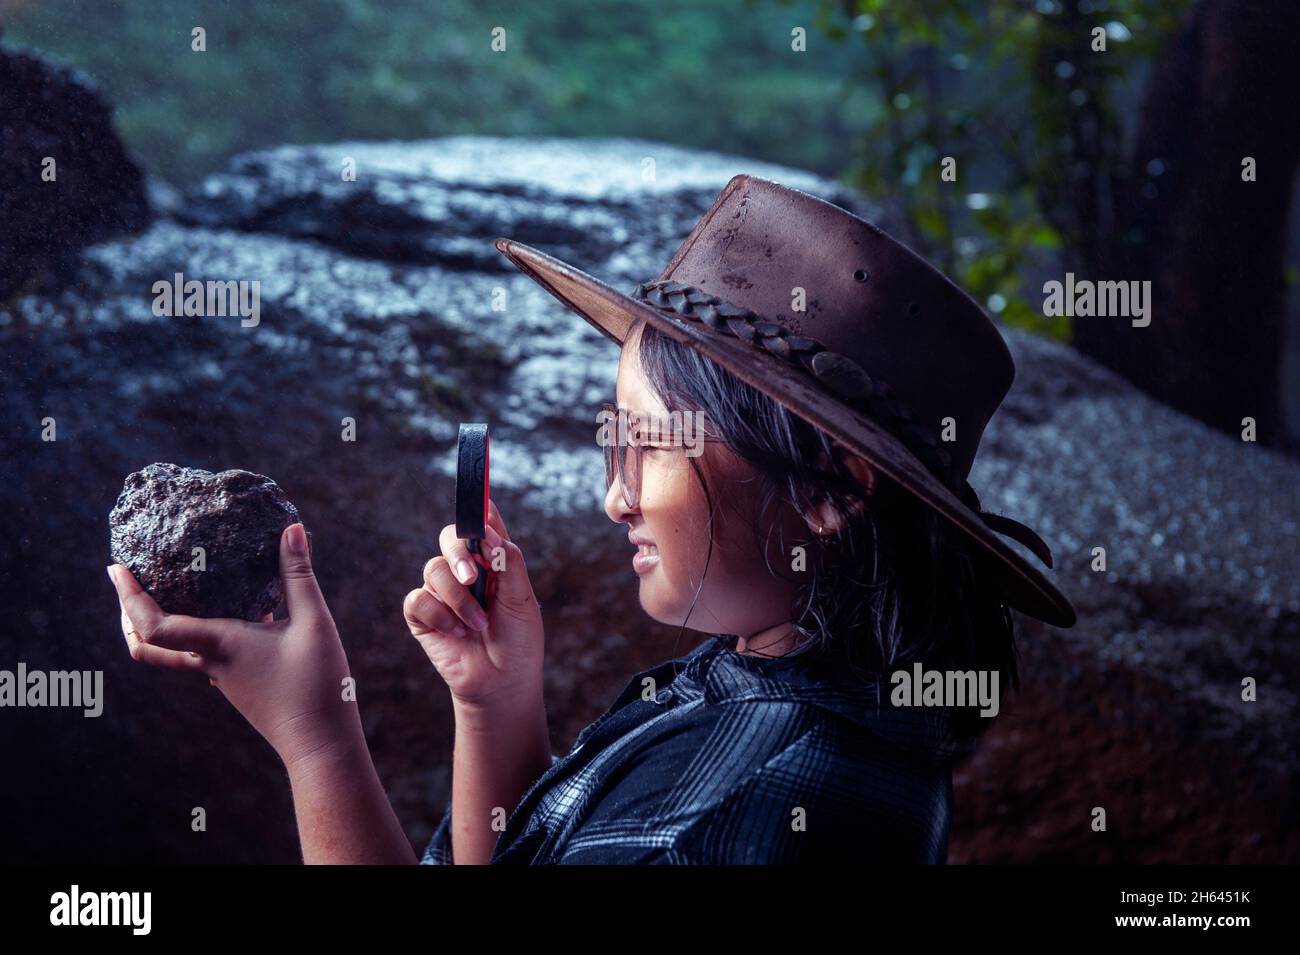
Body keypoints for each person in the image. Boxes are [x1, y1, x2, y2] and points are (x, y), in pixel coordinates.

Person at [107, 174, 1076, 864]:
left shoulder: (740, 814)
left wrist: (313, 737)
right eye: (613, 443)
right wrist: (495, 704)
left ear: (831, 488)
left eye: (649, 445)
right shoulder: (787, 685)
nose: (613, 496)